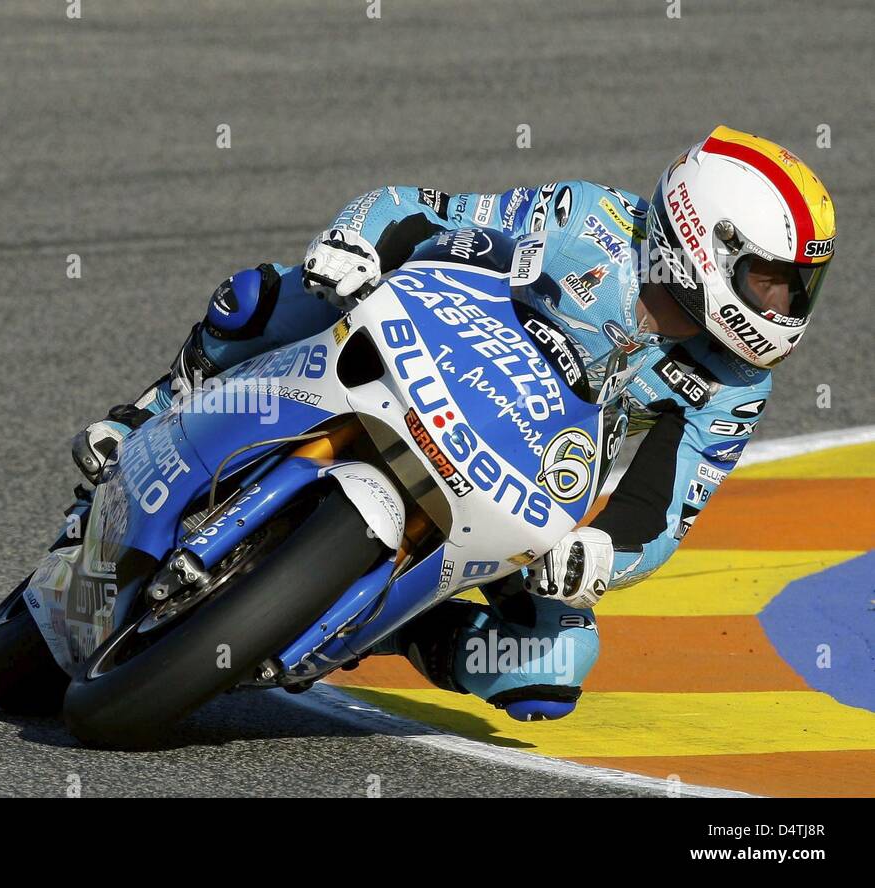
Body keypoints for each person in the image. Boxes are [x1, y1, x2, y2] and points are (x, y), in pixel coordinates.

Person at [71, 126, 836, 720]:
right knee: (264, 296)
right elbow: (426, 213)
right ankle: (152, 411)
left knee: (552, 662)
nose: (783, 309)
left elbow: (667, 506)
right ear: (708, 243)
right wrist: (355, 245)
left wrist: (602, 553)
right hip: (432, 361)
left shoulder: (736, 383)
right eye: (771, 281)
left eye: (798, 288)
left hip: (524, 476)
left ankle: (382, 626)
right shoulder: (588, 219)